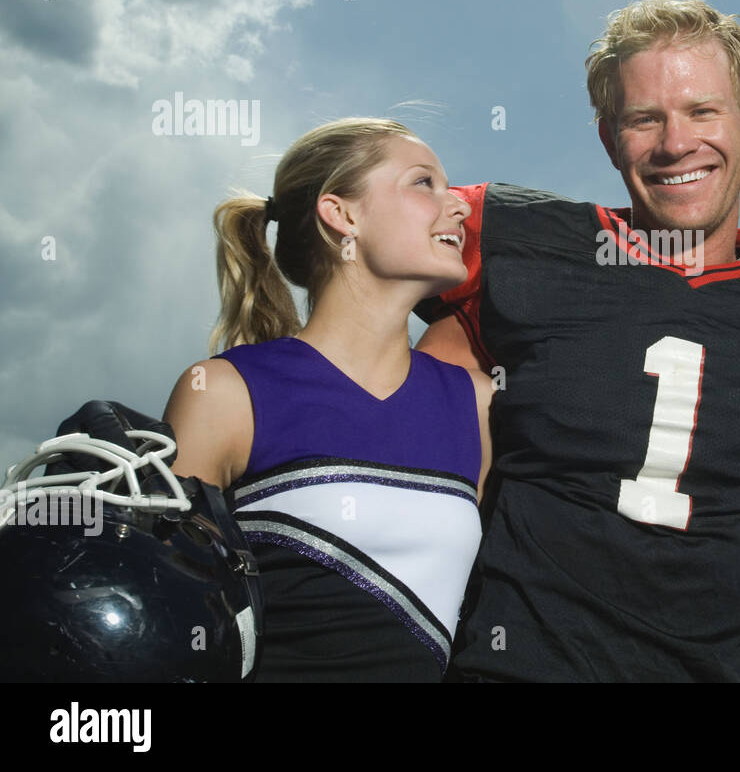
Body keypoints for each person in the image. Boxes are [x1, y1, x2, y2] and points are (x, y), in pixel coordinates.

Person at [416, 0, 740, 681]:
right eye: (644, 119)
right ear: (609, 138)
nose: (676, 144)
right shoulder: (516, 237)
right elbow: (359, 209)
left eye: (703, 111)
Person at [162, 117, 493, 681]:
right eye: (424, 183)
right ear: (342, 214)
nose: (459, 206)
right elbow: (173, 618)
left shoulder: (477, 405)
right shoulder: (224, 393)